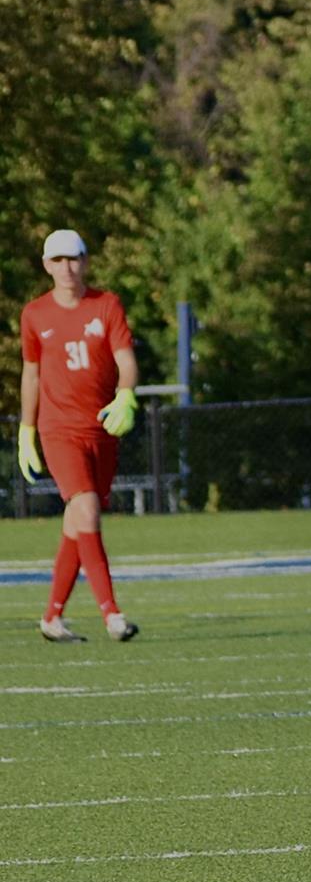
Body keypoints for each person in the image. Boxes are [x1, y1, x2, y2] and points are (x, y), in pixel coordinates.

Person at [19, 229, 142, 642]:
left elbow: (126, 358)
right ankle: (112, 614)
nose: (66, 268)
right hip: (59, 431)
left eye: (73, 259)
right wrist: (26, 429)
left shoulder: (106, 305)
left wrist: (126, 393)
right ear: (46, 265)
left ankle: (52, 618)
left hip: (102, 430)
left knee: (77, 524)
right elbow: (31, 374)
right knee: (86, 508)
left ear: (86, 261)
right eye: (57, 260)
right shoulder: (34, 314)